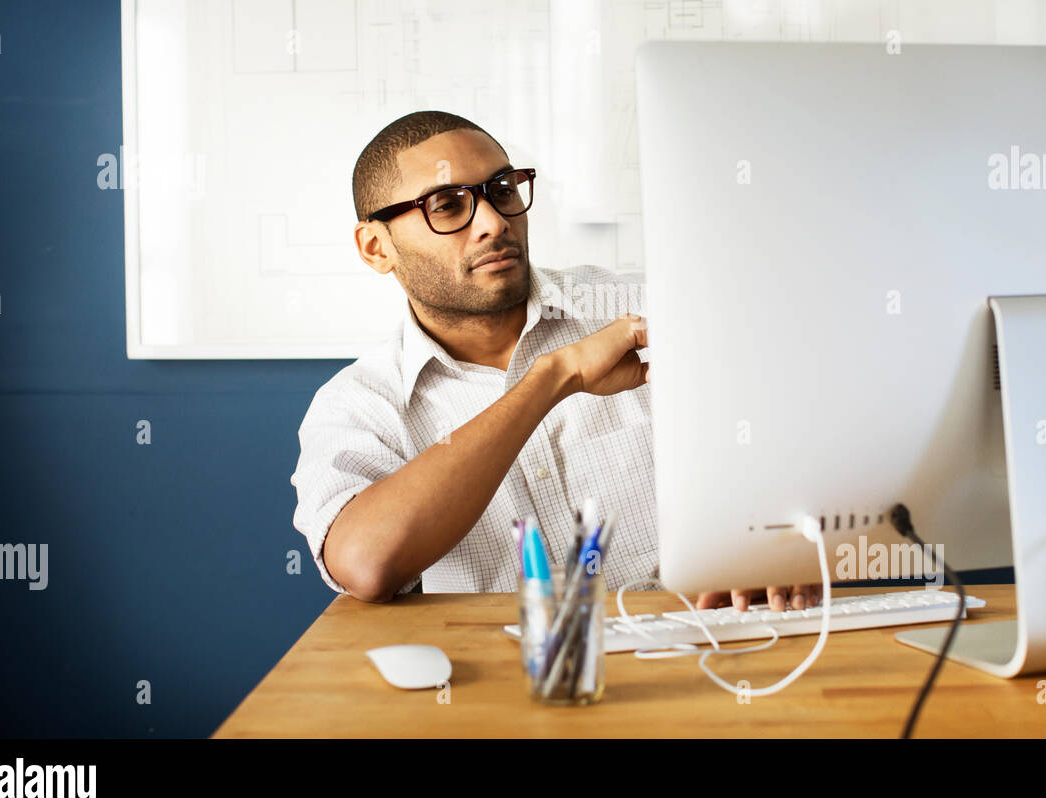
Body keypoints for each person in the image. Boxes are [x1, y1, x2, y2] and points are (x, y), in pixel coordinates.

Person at [291, 110, 822, 613]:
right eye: (448, 205)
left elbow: (798, 444)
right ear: (375, 248)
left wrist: (779, 536)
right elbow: (365, 564)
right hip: (501, 685)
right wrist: (553, 377)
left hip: (707, 648)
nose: (493, 223)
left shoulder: (651, 311)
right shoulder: (361, 404)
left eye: (502, 191)